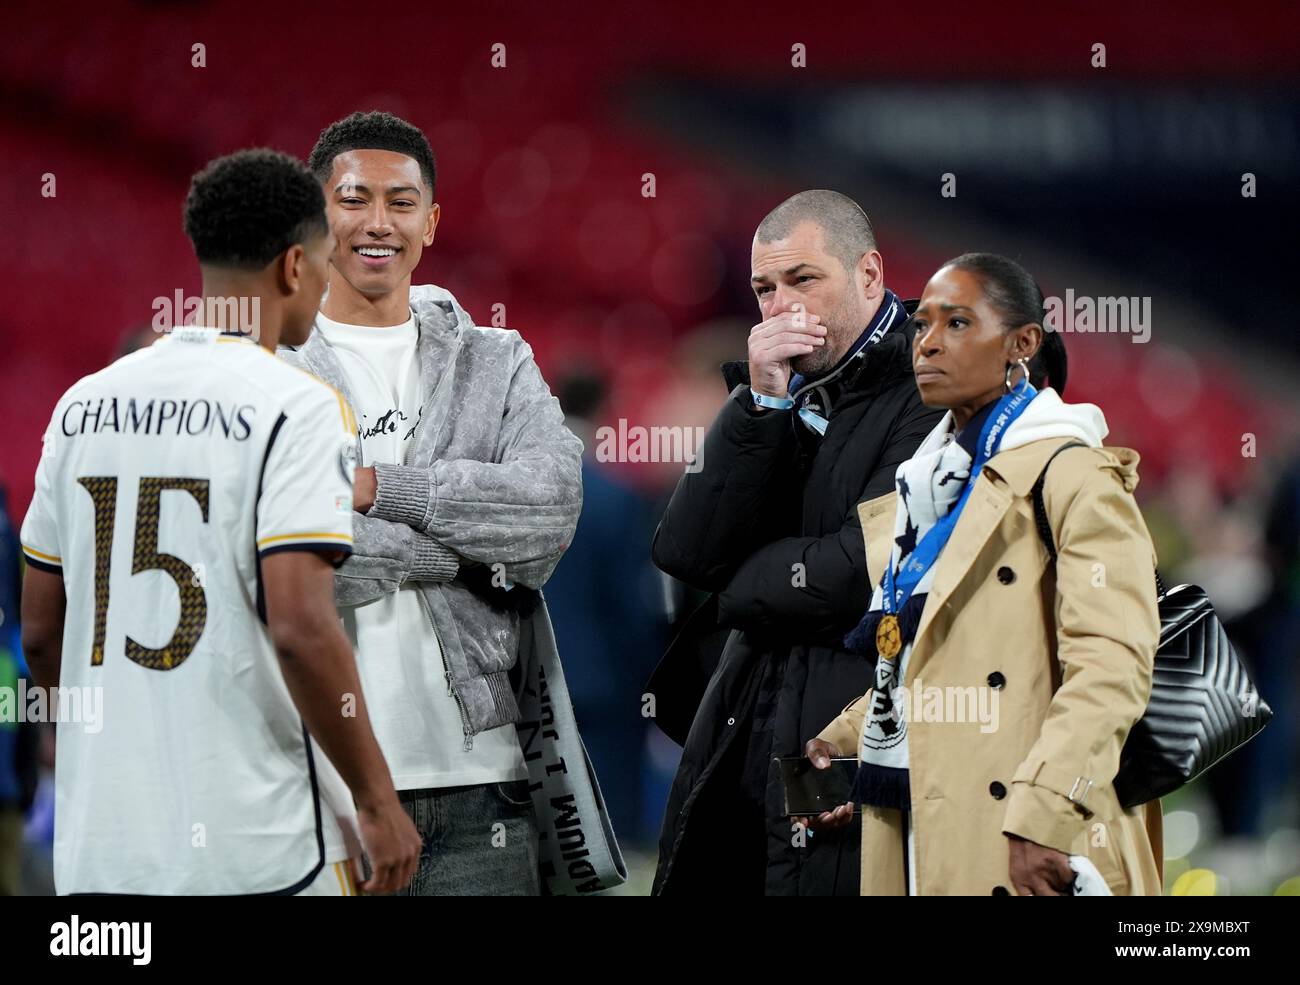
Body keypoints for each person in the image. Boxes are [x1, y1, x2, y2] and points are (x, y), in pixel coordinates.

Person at [18, 149, 420, 895]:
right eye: (328, 263)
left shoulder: (80, 404)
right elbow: (301, 627)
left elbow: (42, 631)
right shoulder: (297, 405)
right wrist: (376, 798)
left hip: (103, 849)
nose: (331, 283)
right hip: (259, 848)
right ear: (295, 265)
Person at [285, 111, 583, 895]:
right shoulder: (271, 367)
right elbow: (290, 559)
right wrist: (450, 551)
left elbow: (548, 512)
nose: (377, 223)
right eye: (353, 200)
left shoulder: (496, 356)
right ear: (317, 215)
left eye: (401, 201)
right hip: (312, 783)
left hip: (483, 779)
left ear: (432, 221)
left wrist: (382, 488)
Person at [805, 253, 1164, 896]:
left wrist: (1044, 812)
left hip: (1033, 829)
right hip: (929, 825)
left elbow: (1113, 664)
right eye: (921, 326)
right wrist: (850, 739)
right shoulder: (925, 487)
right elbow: (939, 666)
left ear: (1022, 344)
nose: (929, 343)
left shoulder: (1076, 475)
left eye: (959, 323)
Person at [649, 190, 943, 895]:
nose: (781, 306)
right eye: (764, 288)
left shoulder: (928, 387)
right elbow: (683, 553)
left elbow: (853, 573)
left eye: (803, 279)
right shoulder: (771, 392)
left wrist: (735, 582)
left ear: (869, 275)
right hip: (738, 728)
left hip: (848, 733)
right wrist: (760, 403)